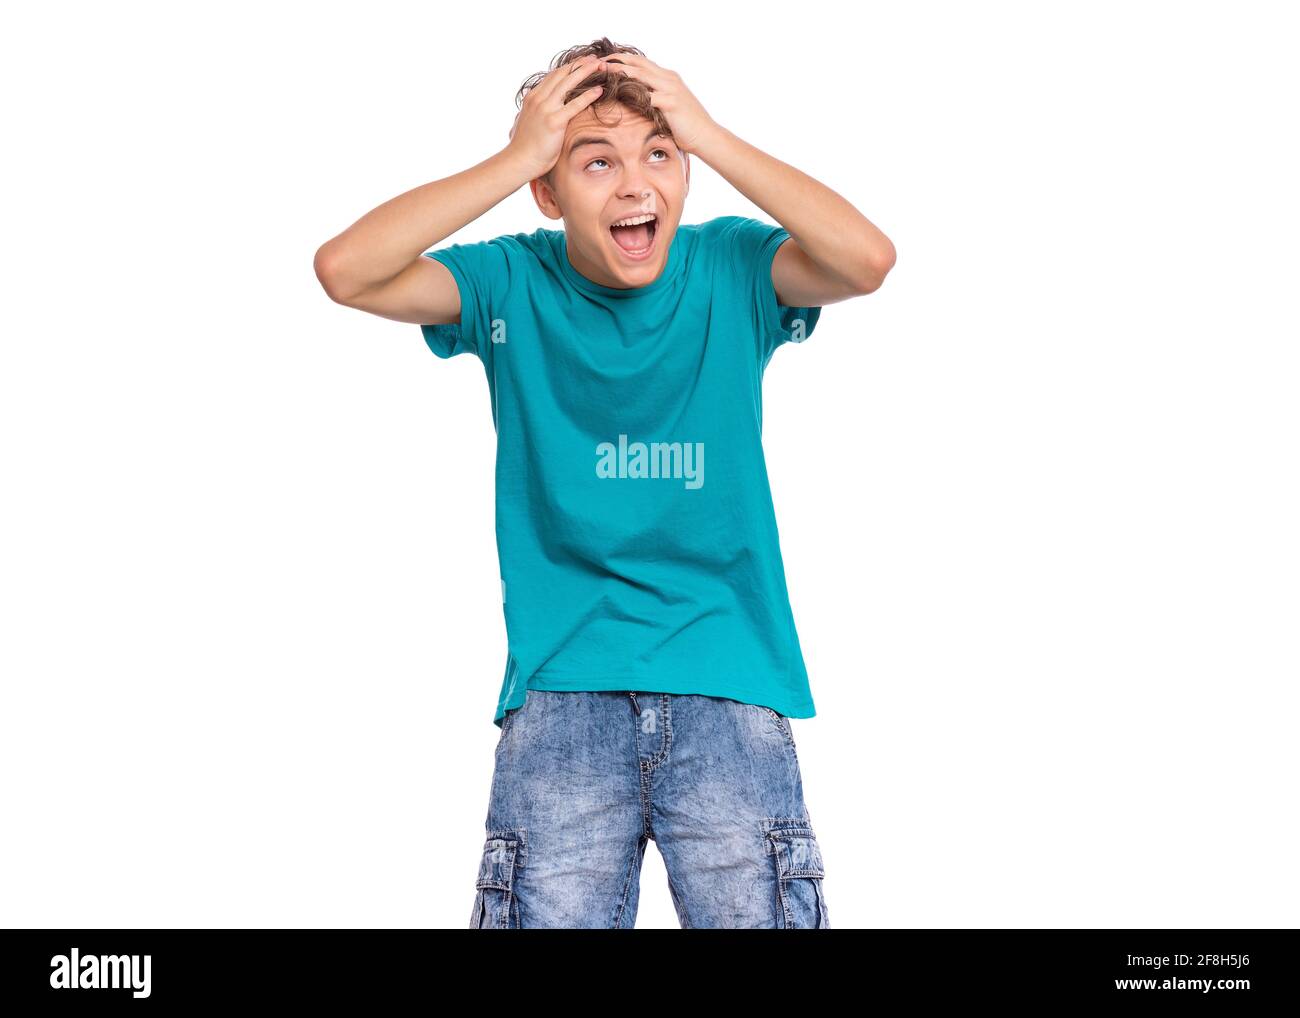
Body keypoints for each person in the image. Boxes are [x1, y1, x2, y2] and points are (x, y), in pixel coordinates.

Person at [314, 37, 895, 928]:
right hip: (562, 694)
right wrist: (514, 158)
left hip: (729, 684)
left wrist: (710, 133)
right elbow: (346, 271)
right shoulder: (507, 281)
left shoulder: (734, 267)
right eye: (595, 162)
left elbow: (866, 260)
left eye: (659, 156)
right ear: (547, 190)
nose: (635, 186)